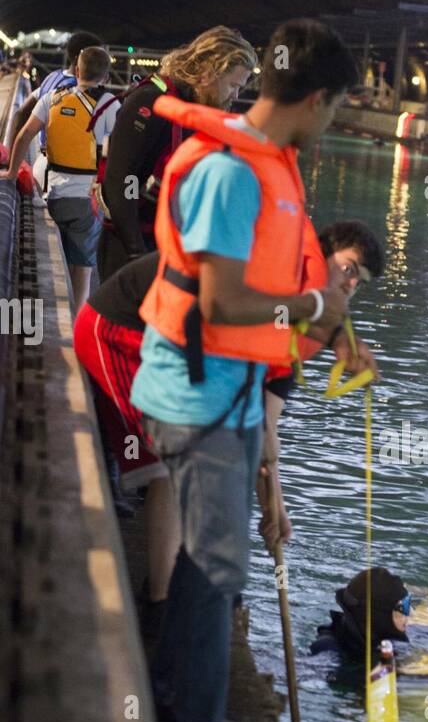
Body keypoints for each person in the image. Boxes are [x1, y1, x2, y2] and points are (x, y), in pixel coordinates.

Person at [131, 18, 376, 722]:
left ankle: (181, 705)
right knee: (213, 570)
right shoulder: (234, 171)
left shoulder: (265, 162)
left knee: (213, 575)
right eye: (336, 106)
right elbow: (225, 299)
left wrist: (328, 327)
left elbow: (269, 290)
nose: (335, 120)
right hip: (200, 393)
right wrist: (311, 305)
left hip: (228, 388)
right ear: (314, 98)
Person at [72, 218, 385, 626]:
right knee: (167, 462)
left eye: (358, 281)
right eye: (347, 268)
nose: (349, 285)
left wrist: (276, 508)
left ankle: (178, 587)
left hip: (169, 348)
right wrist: (274, 506)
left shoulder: (300, 329)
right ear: (320, 252)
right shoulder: (272, 281)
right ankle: (160, 601)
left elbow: (264, 425)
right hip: (119, 328)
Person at [96, 26, 258, 282]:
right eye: (233, 85)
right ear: (208, 73)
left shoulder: (193, 110)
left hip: (164, 246)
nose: (236, 96)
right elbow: (118, 183)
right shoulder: (151, 100)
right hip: (128, 246)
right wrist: (137, 257)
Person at [1, 45, 119, 311]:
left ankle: (51, 313)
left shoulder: (53, 97)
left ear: (76, 70)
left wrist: (11, 171)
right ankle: (76, 326)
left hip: (53, 193)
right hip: (87, 201)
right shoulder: (110, 105)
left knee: (59, 257)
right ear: (106, 77)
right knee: (83, 270)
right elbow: (117, 153)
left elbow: (23, 135)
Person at [9, 29, 104, 143]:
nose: (101, 63)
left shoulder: (53, 77)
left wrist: (12, 152)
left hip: (43, 155)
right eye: (97, 58)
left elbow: (21, 113)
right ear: (78, 57)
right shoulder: (78, 90)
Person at [311, 568, 410, 664]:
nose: (408, 615)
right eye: (402, 608)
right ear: (378, 617)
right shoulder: (329, 652)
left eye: (408, 605)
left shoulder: (377, 638)